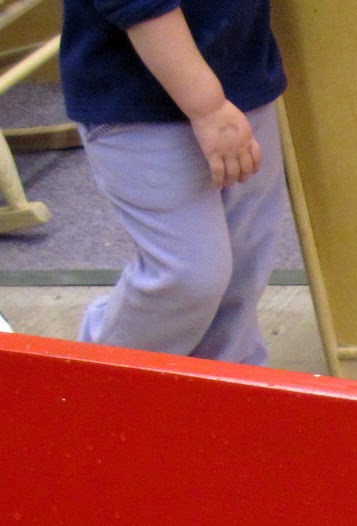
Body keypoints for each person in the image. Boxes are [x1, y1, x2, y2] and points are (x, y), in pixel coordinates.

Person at [61, 0, 289, 365]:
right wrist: (207, 106)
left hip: (242, 79)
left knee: (245, 264)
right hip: (139, 104)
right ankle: (96, 375)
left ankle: (226, 388)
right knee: (187, 276)